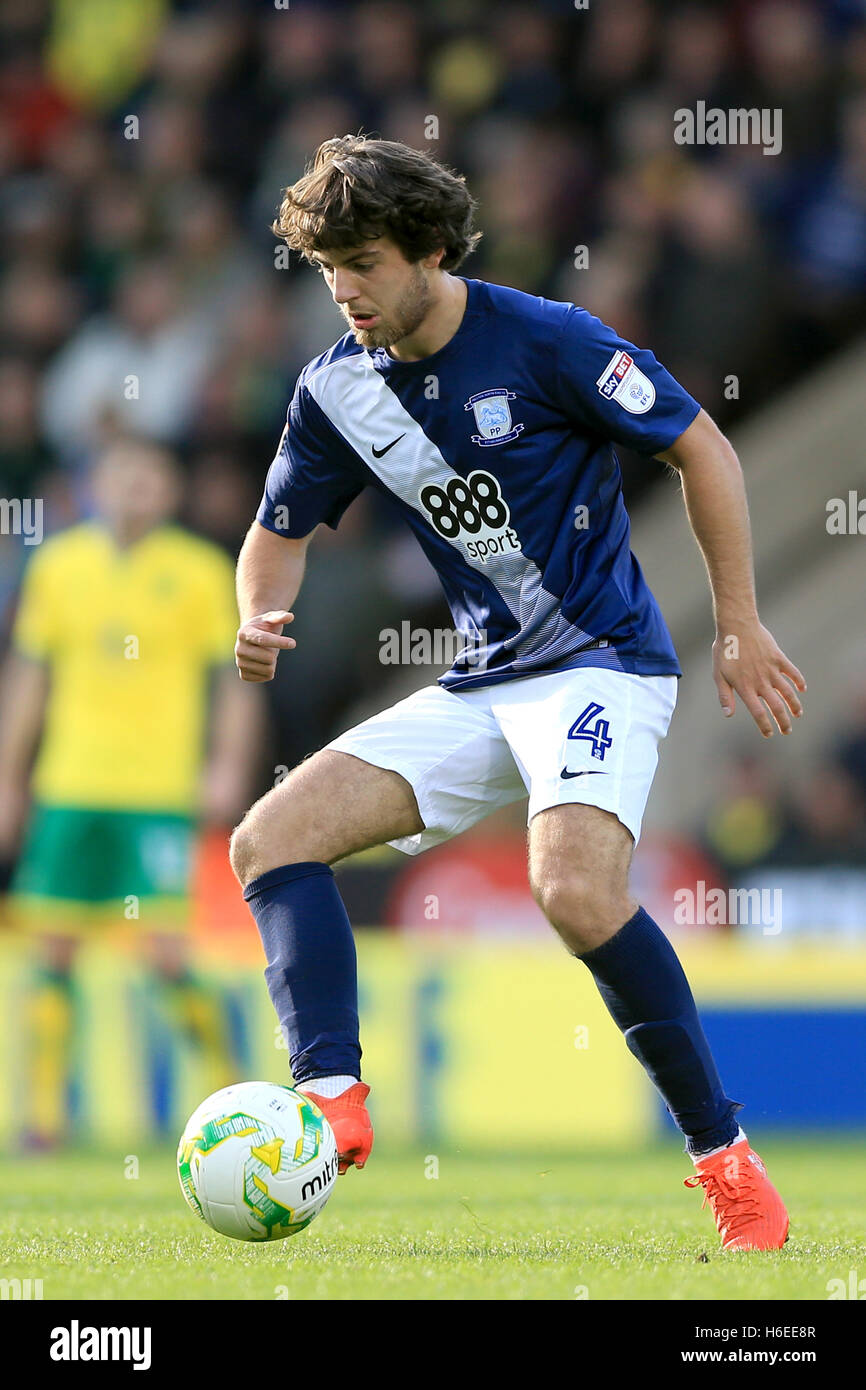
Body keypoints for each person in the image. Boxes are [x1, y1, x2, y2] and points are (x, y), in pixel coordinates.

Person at [230, 136, 806, 1251]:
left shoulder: (546, 341)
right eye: (325, 265)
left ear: (430, 251)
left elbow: (702, 447)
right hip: (484, 680)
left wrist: (737, 621)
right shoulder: (338, 388)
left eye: (363, 261)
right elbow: (275, 535)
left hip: (598, 662)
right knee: (270, 839)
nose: (342, 287)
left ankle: (727, 1166)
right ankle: (332, 1096)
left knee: (574, 893)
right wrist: (258, 613)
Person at [0, 436, 260, 1142]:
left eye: (149, 477)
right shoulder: (58, 566)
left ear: (169, 491)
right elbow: (30, 677)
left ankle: (235, 1102)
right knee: (50, 949)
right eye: (122, 476)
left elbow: (234, 680)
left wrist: (228, 766)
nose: (135, 489)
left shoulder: (202, 572)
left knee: (168, 955)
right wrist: (9, 779)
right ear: (95, 485)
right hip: (70, 787)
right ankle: (43, 1120)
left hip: (156, 793)